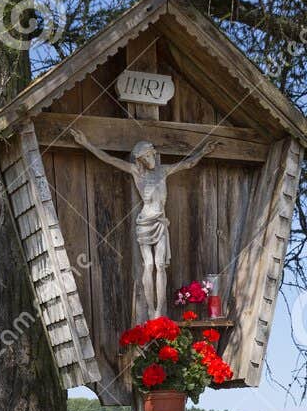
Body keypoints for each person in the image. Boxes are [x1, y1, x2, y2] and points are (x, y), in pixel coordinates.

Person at [67, 129, 215, 314]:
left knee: (160, 266)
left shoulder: (163, 170)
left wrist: (203, 152)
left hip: (160, 222)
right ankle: (151, 308)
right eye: (147, 156)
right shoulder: (137, 171)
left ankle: (159, 310)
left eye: (152, 154)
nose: (151, 158)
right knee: (149, 265)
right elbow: (109, 159)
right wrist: (86, 143)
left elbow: (188, 163)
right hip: (145, 222)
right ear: (141, 159)